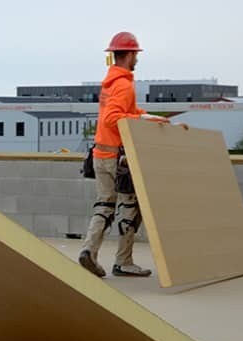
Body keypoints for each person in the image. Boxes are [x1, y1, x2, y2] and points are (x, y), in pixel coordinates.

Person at [78, 31, 186, 279]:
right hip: (118, 158)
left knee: (104, 205)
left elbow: (128, 110)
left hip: (100, 155)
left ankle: (88, 250)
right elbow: (113, 117)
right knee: (130, 207)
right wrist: (140, 118)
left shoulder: (110, 82)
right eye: (135, 54)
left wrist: (148, 117)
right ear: (128, 55)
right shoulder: (124, 84)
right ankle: (123, 261)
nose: (137, 58)